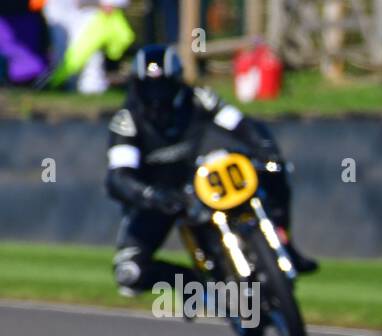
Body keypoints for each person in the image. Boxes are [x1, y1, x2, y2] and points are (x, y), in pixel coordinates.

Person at [105, 43, 315, 300]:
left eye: (163, 86)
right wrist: (150, 195)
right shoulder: (127, 121)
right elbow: (119, 176)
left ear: (176, 81)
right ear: (138, 86)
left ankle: (284, 243)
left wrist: (265, 149)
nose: (157, 96)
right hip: (159, 198)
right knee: (129, 274)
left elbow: (240, 124)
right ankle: (192, 283)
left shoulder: (197, 98)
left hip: (202, 180)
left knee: (274, 169)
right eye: (149, 87)